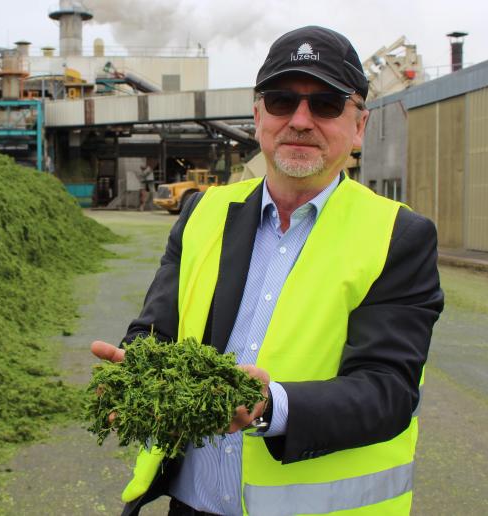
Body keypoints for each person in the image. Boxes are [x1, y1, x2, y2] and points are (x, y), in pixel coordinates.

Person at [91, 25, 443, 516]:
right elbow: (156, 327)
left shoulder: (398, 236)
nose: (300, 120)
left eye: (325, 104)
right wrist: (138, 367)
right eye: (281, 101)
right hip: (191, 505)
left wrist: (271, 405)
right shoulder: (203, 212)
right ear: (259, 116)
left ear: (358, 125)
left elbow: (388, 389)